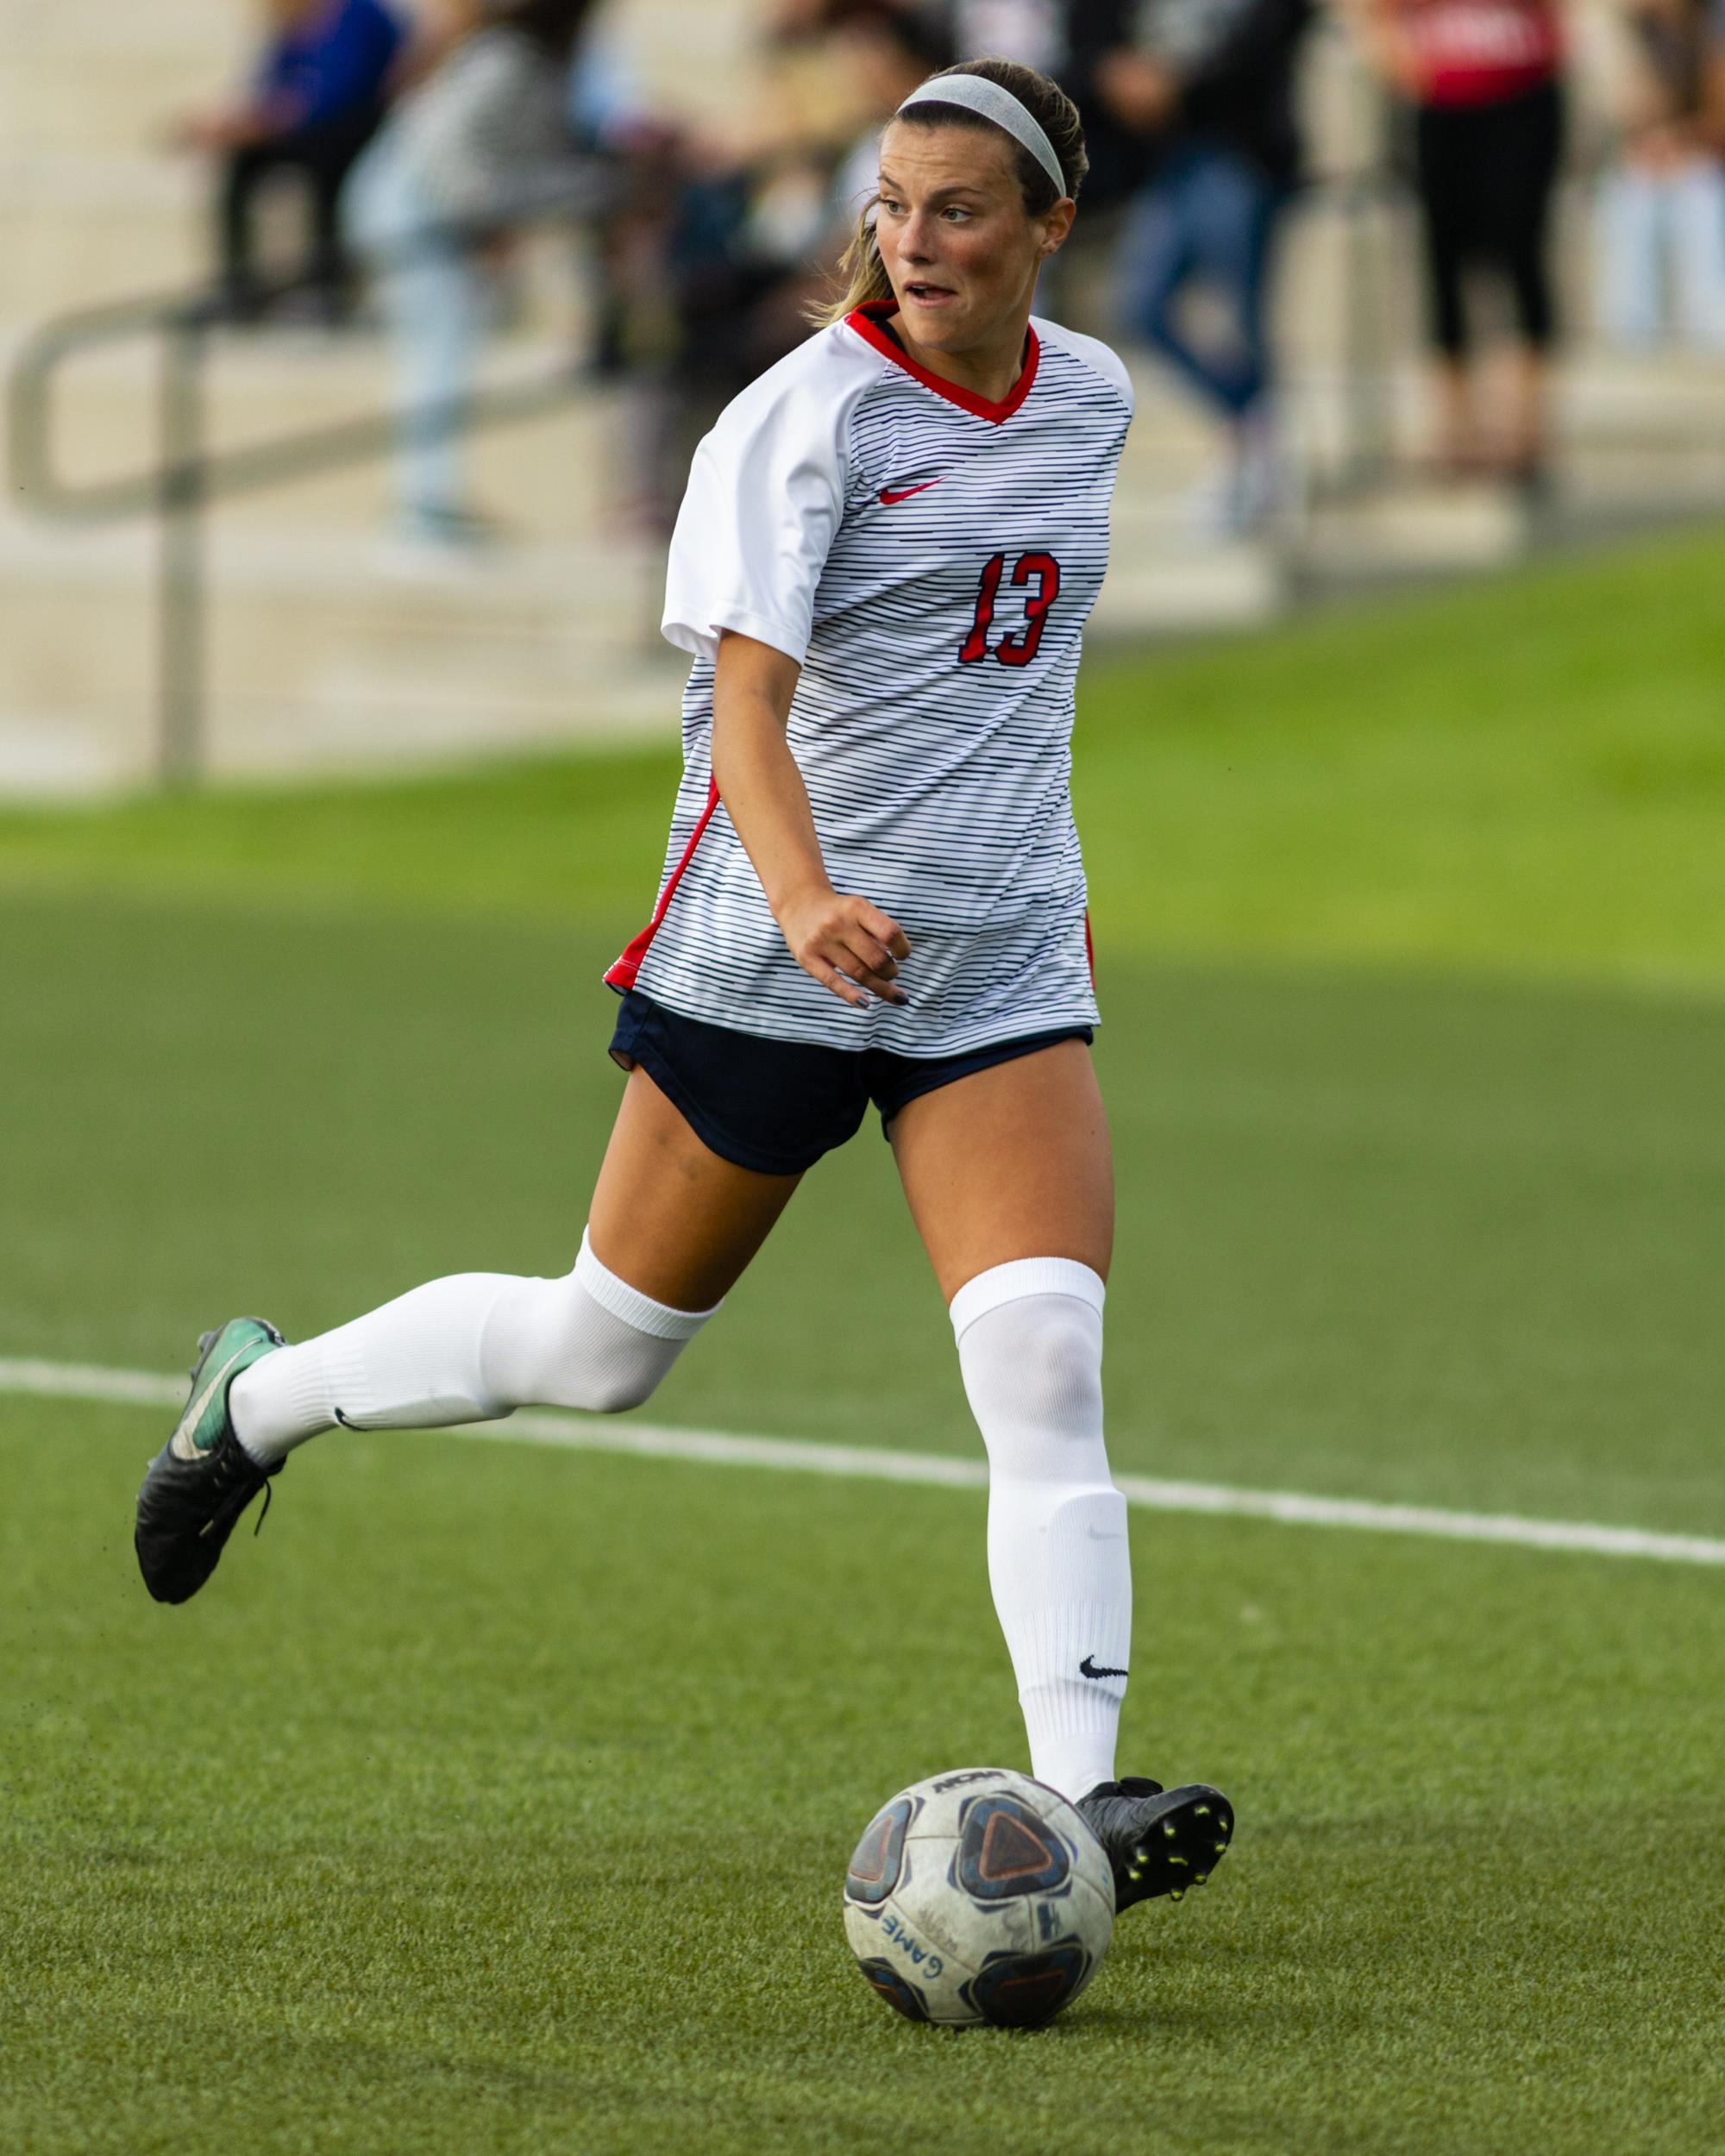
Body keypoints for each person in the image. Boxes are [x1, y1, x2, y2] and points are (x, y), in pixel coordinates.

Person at [134, 55, 1235, 1931]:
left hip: (992, 967)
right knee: (602, 1347)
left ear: (1054, 225)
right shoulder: (799, 421)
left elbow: (1012, 688)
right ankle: (258, 1402)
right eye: (890, 204)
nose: (913, 241)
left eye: (959, 209)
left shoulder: (1098, 400)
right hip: (767, 954)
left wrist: (1027, 895)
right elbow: (746, 698)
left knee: (1043, 1359)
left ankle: (1076, 1797)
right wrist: (803, 896)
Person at [341, 0, 601, 548]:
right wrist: (499, 218)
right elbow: (455, 163)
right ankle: (426, 506)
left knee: (442, 351)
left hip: (422, 209)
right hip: (413, 215)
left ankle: (429, 499)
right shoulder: (506, 60)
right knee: (438, 353)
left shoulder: (517, 60)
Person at [1094, 0, 1314, 536]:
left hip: (1242, 153)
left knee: (1239, 315)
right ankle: (1253, 425)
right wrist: (1118, 73)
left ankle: (1255, 460)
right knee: (1139, 305)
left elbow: (1270, 39)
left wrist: (1177, 86)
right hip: (1171, 156)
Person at [1361, 0, 1566, 486]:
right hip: (1444, 103)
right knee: (1443, 261)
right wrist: (1405, 67)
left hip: (1522, 95)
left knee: (1521, 252)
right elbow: (1374, 15)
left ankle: (1526, 428)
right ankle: (1456, 428)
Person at [176, 0, 407, 325]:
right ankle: (241, 288)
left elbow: (339, 94)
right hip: (303, 131)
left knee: (328, 162)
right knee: (245, 163)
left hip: (354, 132)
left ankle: (329, 288)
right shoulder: (292, 26)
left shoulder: (358, 15)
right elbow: (268, 87)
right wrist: (237, 124)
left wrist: (264, 122)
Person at [1595, 0, 1725, 354]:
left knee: (1699, 189)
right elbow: (1635, 113)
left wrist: (1681, 142)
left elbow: (1719, 117)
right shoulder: (1643, 30)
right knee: (1632, 185)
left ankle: (1709, 317)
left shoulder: (1714, 24)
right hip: (1672, 153)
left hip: (1708, 160)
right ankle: (1629, 323)